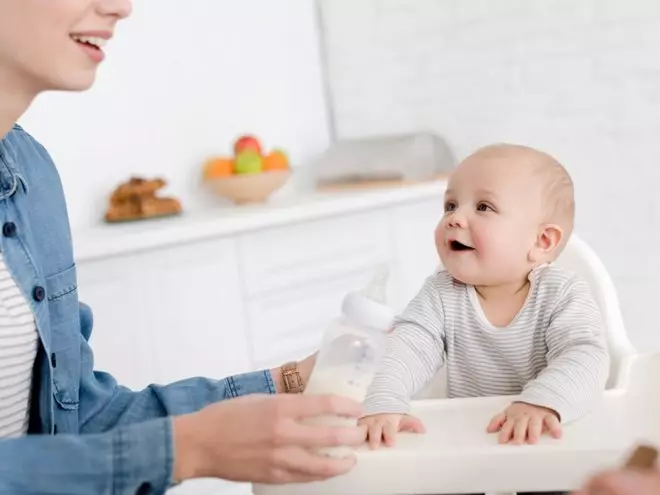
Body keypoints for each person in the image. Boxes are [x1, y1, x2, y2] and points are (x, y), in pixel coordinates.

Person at [0, 1, 367, 493]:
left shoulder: (31, 175)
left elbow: (81, 424)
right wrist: (188, 448)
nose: (120, 7)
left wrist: (291, 381)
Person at [358, 144, 611, 495]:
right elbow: (409, 346)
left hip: (543, 443)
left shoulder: (562, 294)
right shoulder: (441, 294)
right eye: (450, 205)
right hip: (471, 446)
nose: (455, 218)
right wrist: (386, 399)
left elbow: (585, 355)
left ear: (541, 240)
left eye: (483, 207)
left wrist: (541, 403)